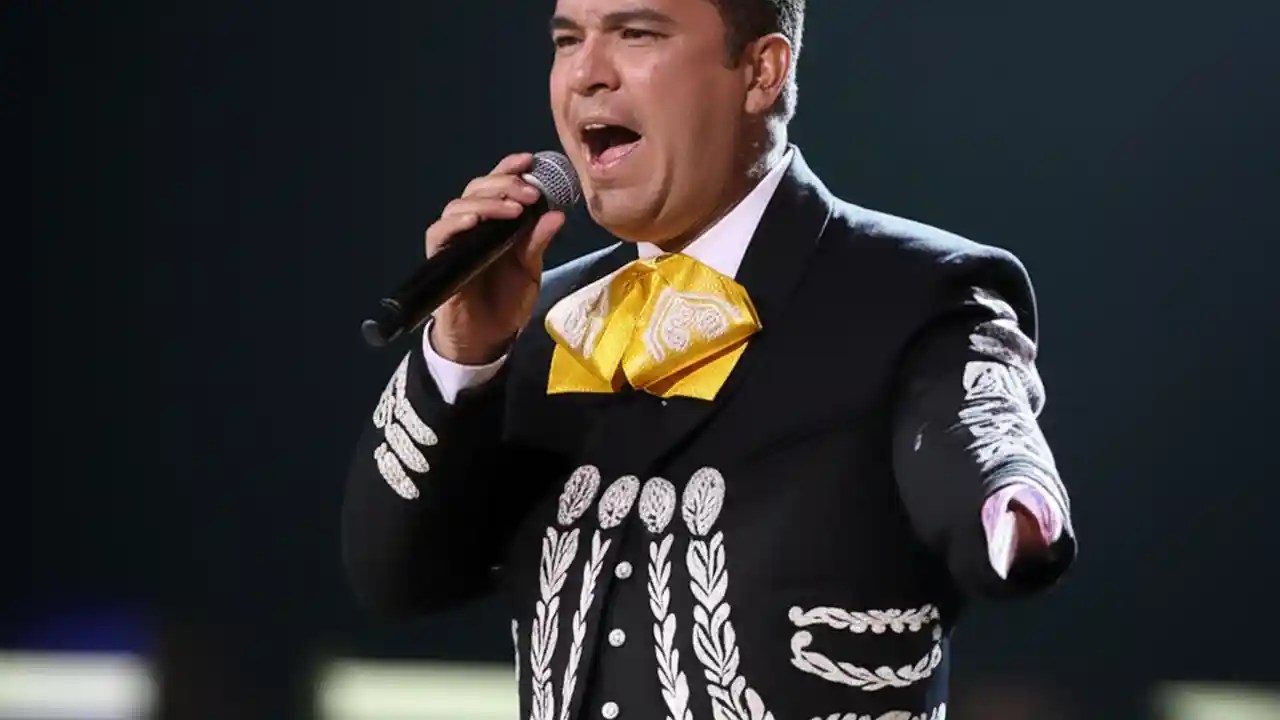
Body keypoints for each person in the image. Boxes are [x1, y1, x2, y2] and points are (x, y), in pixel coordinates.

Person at [342, 1, 1076, 718]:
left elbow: (977, 435)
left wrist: (1011, 504)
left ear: (761, 72)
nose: (586, 74)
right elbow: (395, 579)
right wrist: (462, 355)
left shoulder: (910, 290)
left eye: (636, 33)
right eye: (567, 40)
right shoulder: (539, 321)